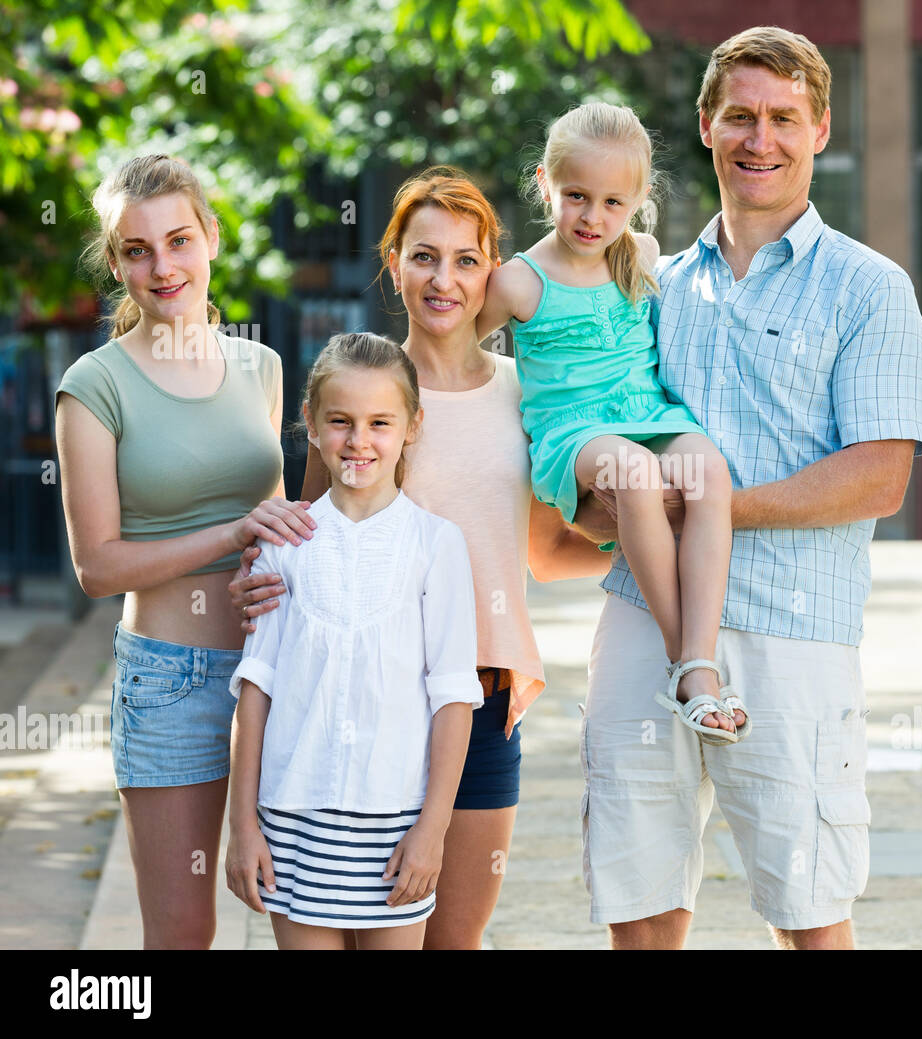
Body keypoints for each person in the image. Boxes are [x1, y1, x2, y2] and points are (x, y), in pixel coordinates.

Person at [569, 27, 922, 949]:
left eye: (782, 118)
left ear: (818, 130)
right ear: (705, 125)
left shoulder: (868, 287)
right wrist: (603, 505)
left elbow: (882, 476)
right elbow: (580, 426)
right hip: (644, 621)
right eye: (740, 116)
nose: (758, 138)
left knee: (809, 911)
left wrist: (709, 507)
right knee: (638, 906)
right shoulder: (645, 284)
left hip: (792, 629)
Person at [229, 167, 609, 949]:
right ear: (393, 261)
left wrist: (641, 552)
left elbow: (541, 547)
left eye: (467, 260)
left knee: (452, 940)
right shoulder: (362, 396)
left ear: (490, 271)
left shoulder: (525, 392)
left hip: (479, 694)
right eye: (424, 256)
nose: (445, 279)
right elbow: (309, 534)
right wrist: (252, 574)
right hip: (352, 703)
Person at [54, 154, 315, 948]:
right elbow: (97, 565)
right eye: (136, 250)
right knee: (182, 932)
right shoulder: (92, 386)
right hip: (169, 681)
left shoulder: (260, 367)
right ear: (117, 262)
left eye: (177, 240)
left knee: (307, 913)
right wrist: (231, 534)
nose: (162, 266)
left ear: (210, 238)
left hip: (280, 665)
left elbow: (277, 519)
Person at [477, 102, 743, 741]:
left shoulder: (641, 254)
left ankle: (697, 660)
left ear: (639, 200)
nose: (593, 218)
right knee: (636, 471)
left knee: (708, 472)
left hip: (648, 414)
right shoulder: (519, 282)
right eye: (576, 197)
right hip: (576, 435)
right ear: (545, 184)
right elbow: (459, 354)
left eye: (612, 203)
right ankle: (688, 665)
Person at [224, 332, 482, 949]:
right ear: (310, 424)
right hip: (291, 821)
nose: (359, 441)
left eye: (379, 422)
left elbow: (452, 698)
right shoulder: (286, 544)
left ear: (411, 427)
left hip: (396, 825)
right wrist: (244, 828)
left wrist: (432, 829)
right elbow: (255, 691)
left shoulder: (436, 545)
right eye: (340, 421)